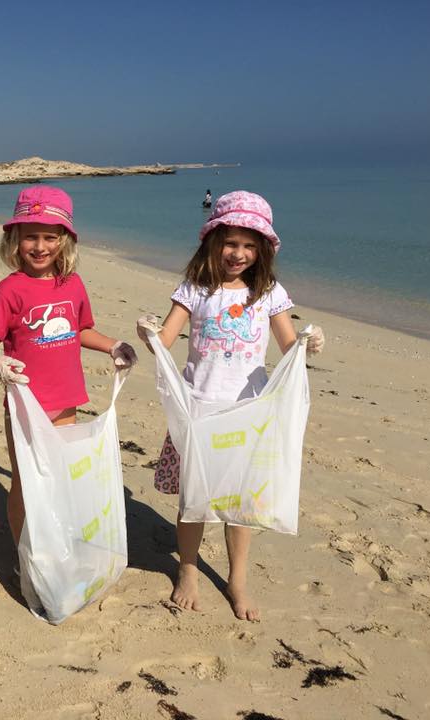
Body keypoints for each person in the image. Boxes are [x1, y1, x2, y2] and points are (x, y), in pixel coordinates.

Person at [136, 190, 324, 621]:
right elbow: (165, 341)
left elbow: (288, 345)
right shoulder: (195, 288)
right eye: (231, 243)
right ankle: (188, 569)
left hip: (248, 411)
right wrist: (149, 333)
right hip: (198, 408)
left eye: (249, 245)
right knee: (194, 499)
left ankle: (237, 578)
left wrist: (310, 344)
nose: (238, 254)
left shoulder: (269, 292)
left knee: (242, 503)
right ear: (213, 241)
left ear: (262, 250)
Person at [0, 186, 138, 550]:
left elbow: (80, 330)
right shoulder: (9, 290)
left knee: (58, 477)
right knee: (25, 480)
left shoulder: (73, 284)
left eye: (50, 237)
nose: (40, 246)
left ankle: (55, 541)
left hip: (66, 403)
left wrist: (113, 345)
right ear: (15, 240)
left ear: (64, 240)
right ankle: (26, 553)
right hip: (24, 406)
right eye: (30, 237)